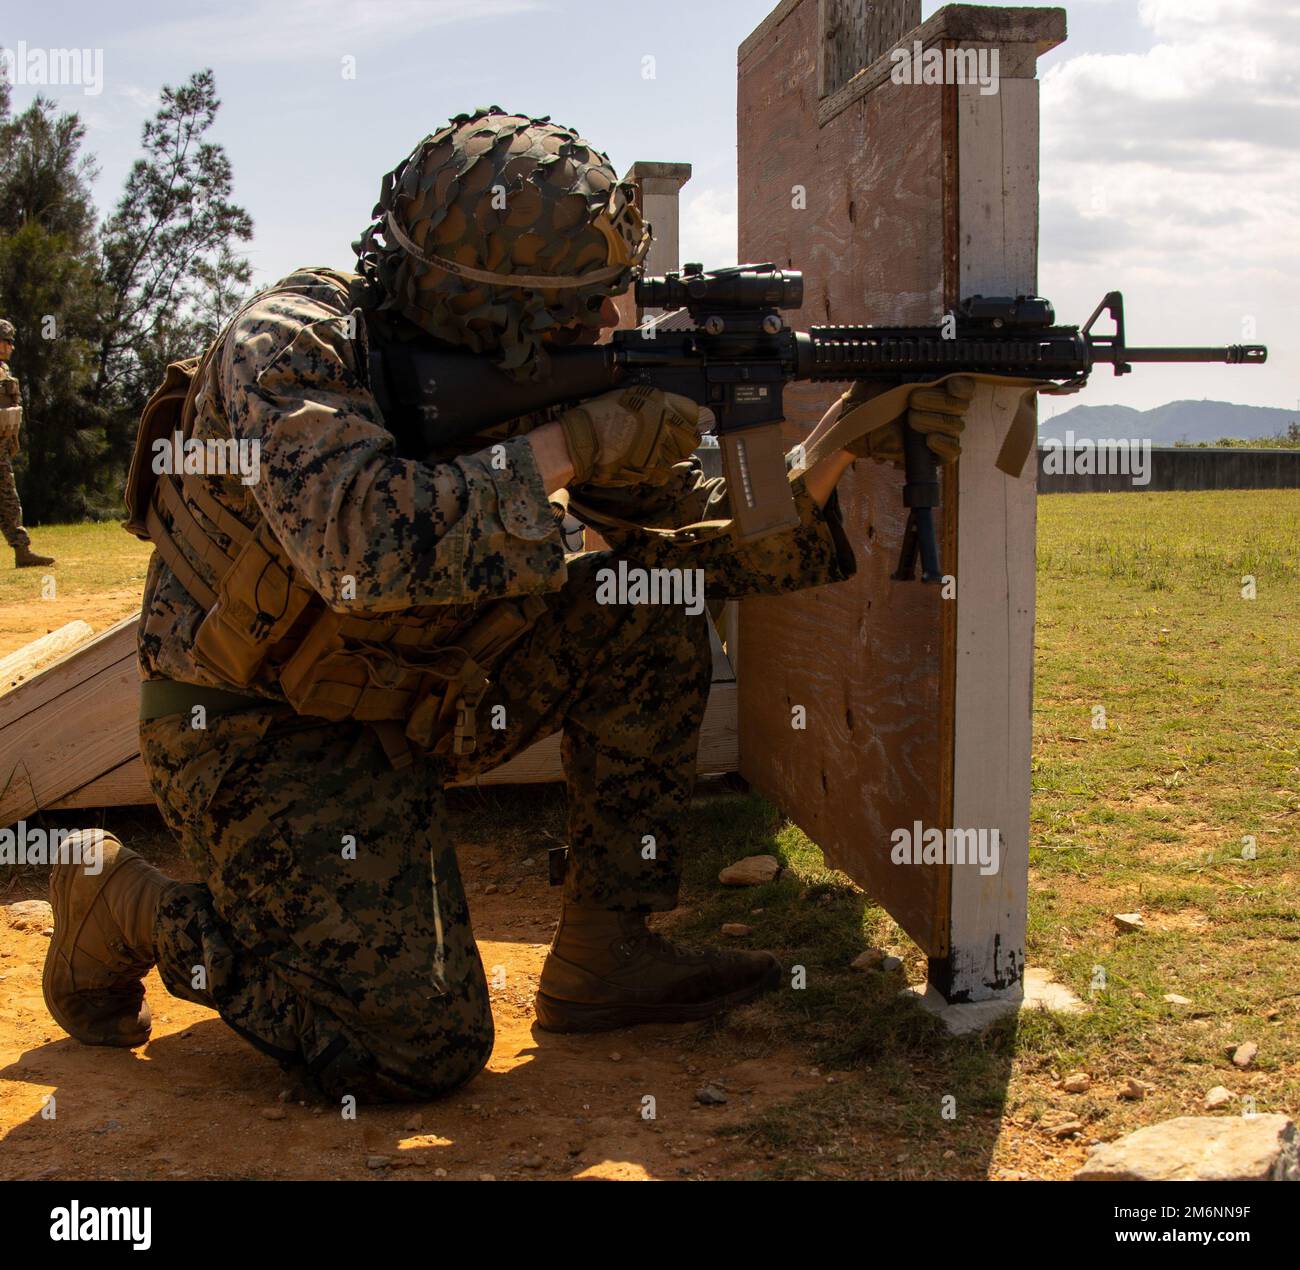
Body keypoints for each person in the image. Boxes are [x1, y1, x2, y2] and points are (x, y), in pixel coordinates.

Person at [43, 109, 973, 1102]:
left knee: (643, 606)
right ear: (478, 306)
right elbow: (362, 548)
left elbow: (689, 550)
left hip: (418, 689)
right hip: (258, 731)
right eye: (581, 314)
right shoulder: (291, 343)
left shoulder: (528, 365)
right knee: (414, 1050)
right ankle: (125, 904)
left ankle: (606, 952)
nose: (606, 330)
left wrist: (830, 444)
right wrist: (579, 442)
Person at [0, 318, 56, 568]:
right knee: (8, 498)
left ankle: (22, 550)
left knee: (8, 498)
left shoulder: (4, 371)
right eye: (8, 341)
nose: (12, 347)